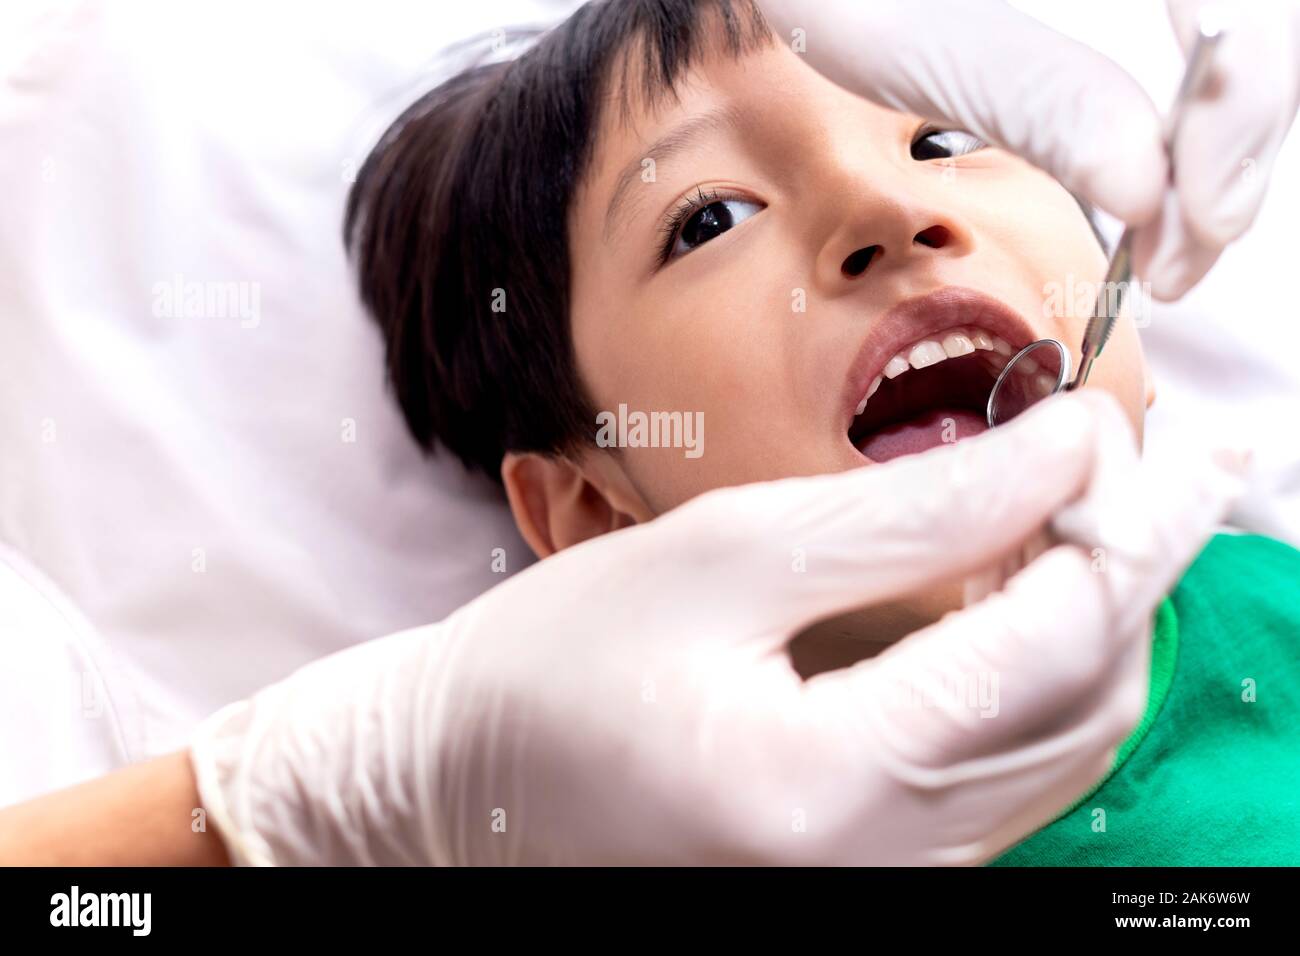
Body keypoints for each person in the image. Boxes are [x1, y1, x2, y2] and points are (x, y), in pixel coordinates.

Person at [0, 0, 1293, 866]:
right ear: (595, 515)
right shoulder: (598, 827)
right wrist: (303, 798)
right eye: (707, 220)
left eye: (946, 138)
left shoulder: (1271, 610)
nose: (881, 206)